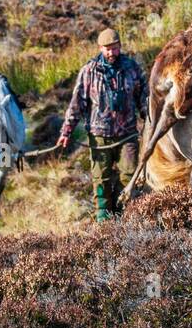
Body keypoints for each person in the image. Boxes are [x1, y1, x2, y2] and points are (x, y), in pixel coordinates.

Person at [55, 28, 147, 220]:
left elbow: (144, 100)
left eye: (115, 48)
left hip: (128, 135)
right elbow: (76, 104)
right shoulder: (89, 71)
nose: (111, 53)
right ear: (100, 48)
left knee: (129, 177)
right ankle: (103, 223)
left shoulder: (132, 68)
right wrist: (66, 132)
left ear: (120, 46)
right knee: (101, 181)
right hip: (99, 136)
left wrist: (151, 123)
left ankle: (127, 219)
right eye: (107, 49)